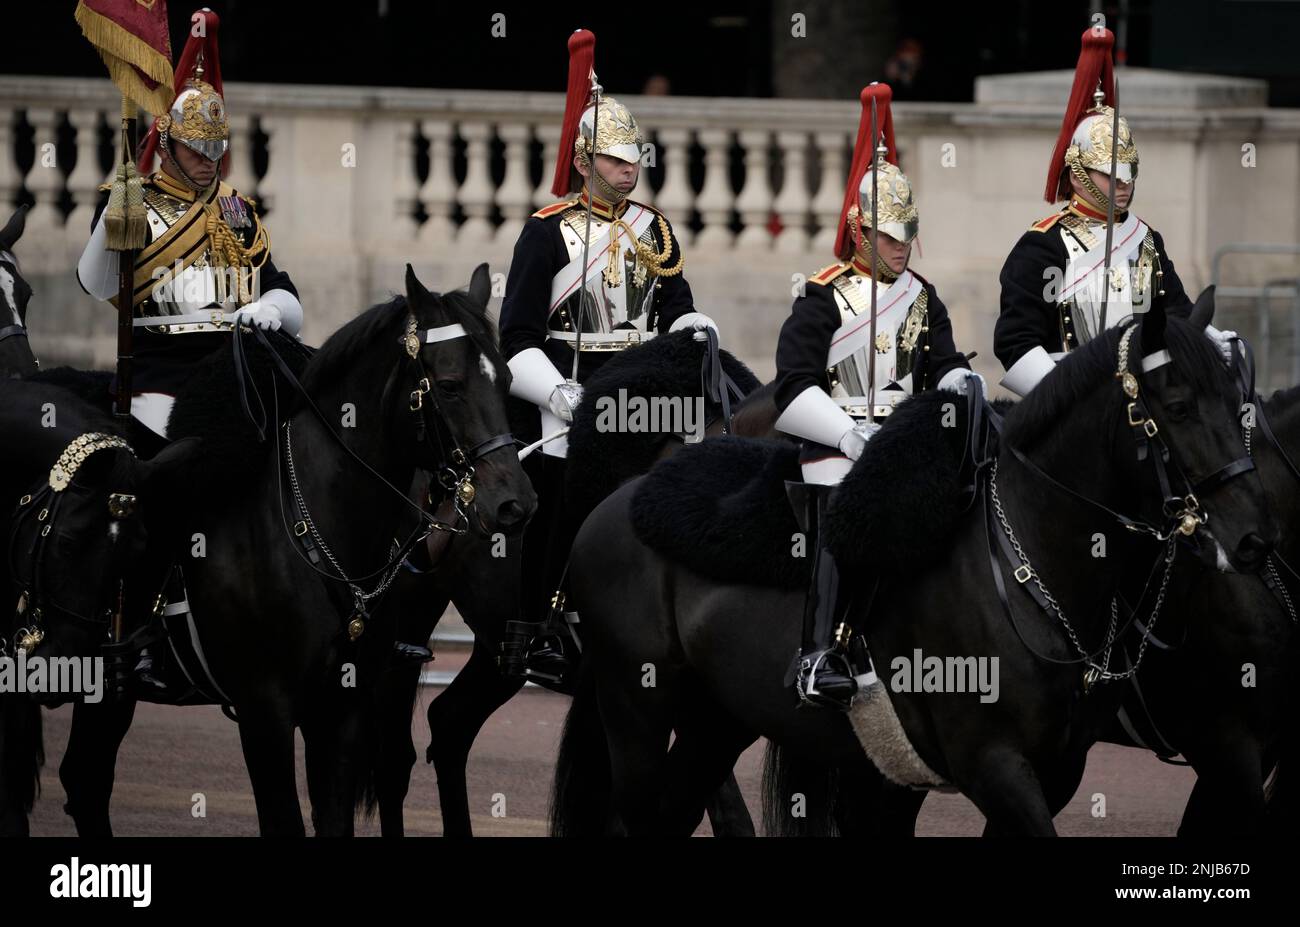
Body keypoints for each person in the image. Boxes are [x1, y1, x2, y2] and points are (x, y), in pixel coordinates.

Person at [497, 29, 715, 684]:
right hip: (564, 386)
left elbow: (675, 304)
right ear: (586, 160)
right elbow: (516, 337)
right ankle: (536, 622)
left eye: (633, 161)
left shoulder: (655, 228)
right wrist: (560, 397)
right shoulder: (545, 230)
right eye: (617, 161)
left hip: (640, 383)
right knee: (560, 491)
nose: (630, 170)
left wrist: (695, 325)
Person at [773, 83, 978, 710]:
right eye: (890, 234)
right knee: (845, 515)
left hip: (906, 442)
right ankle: (819, 655)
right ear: (861, 230)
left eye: (908, 234)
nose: (901, 245)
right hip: (839, 442)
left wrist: (959, 382)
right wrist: (848, 434)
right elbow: (793, 388)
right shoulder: (821, 295)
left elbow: (941, 361)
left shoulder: (923, 295)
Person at [994, 26, 1230, 397]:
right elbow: (1016, 341)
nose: (1123, 185)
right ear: (1076, 174)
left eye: (1127, 175)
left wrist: (1212, 338)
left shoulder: (1146, 240)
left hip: (1145, 397)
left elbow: (1176, 314)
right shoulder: (1041, 247)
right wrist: (1065, 398)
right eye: (1110, 176)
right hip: (1073, 403)